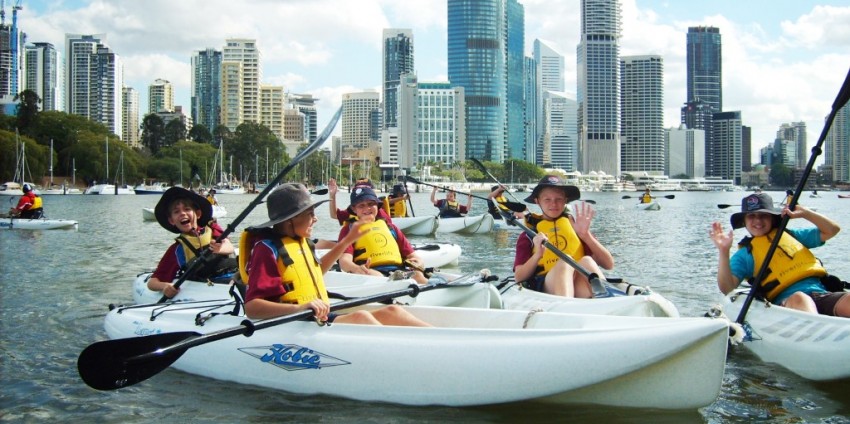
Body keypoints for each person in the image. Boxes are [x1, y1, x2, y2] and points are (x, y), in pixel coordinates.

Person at [241, 183, 430, 326]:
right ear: (290, 219)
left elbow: (317, 272)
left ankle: (440, 342)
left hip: (316, 314)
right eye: (309, 213)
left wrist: (346, 242)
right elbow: (252, 308)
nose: (315, 218)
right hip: (294, 320)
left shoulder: (302, 242)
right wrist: (299, 308)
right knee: (361, 317)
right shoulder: (266, 249)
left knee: (393, 311)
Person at [709, 193, 849, 317]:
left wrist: (806, 213)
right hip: (785, 306)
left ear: (772, 219)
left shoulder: (792, 236)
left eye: (763, 215)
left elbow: (832, 230)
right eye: (752, 216)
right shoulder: (744, 254)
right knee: (800, 298)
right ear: (744, 221)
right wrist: (723, 251)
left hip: (821, 294)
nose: (758, 221)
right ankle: (819, 337)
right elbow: (727, 288)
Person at [513, 175, 614, 298]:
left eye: (559, 199)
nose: (554, 204)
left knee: (586, 260)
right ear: (537, 201)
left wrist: (586, 235)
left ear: (565, 200)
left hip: (577, 285)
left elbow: (609, 265)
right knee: (565, 262)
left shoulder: (576, 228)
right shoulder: (528, 235)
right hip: (547, 288)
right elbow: (519, 277)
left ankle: (607, 300)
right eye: (547, 199)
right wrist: (538, 254)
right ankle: (566, 305)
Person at [148, 187, 236, 298]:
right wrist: (165, 286)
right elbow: (152, 283)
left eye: (187, 209)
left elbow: (229, 246)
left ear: (198, 214)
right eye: (176, 211)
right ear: (172, 220)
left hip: (234, 277)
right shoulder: (177, 249)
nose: (182, 214)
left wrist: (219, 249)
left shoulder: (212, 229)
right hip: (213, 288)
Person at [337, 186, 429, 285]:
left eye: (371, 204)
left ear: (377, 205)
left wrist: (418, 262)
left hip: (398, 271)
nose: (367, 209)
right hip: (370, 271)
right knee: (376, 277)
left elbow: (413, 256)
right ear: (354, 209)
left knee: (418, 275)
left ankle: (430, 291)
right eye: (361, 206)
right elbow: (344, 260)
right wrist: (356, 268)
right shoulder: (349, 230)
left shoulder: (391, 228)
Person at [328, 177, 392, 225]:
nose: (366, 208)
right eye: (361, 205)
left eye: (370, 204)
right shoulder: (355, 210)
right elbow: (334, 215)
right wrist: (332, 195)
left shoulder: (381, 215)